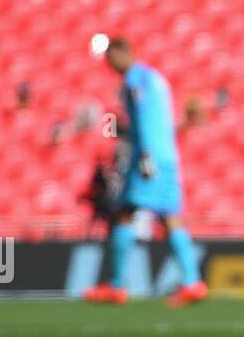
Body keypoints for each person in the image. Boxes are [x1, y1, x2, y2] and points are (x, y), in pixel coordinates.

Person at [83, 39, 207, 306]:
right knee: (169, 216)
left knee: (125, 213)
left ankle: (116, 285)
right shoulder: (156, 79)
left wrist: (145, 153)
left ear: (123, 53)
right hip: (167, 156)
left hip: (149, 157)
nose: (111, 65)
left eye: (111, 58)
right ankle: (193, 281)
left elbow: (145, 117)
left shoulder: (135, 80)